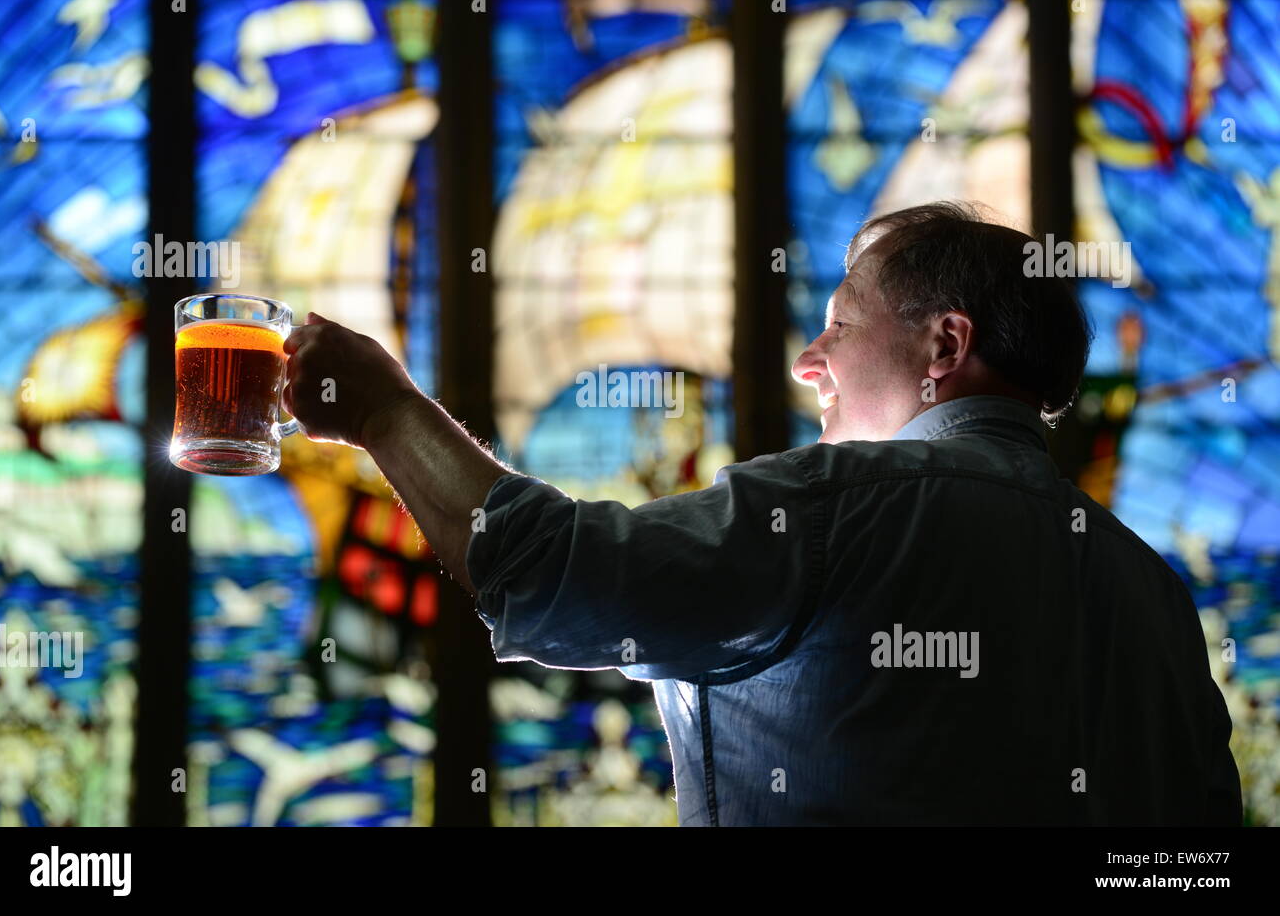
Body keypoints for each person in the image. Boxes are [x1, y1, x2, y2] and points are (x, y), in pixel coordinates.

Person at [282, 201, 1242, 826]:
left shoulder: (829, 512)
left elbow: (545, 573)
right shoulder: (1153, 591)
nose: (806, 359)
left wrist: (385, 410)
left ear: (946, 343)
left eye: (841, 321)